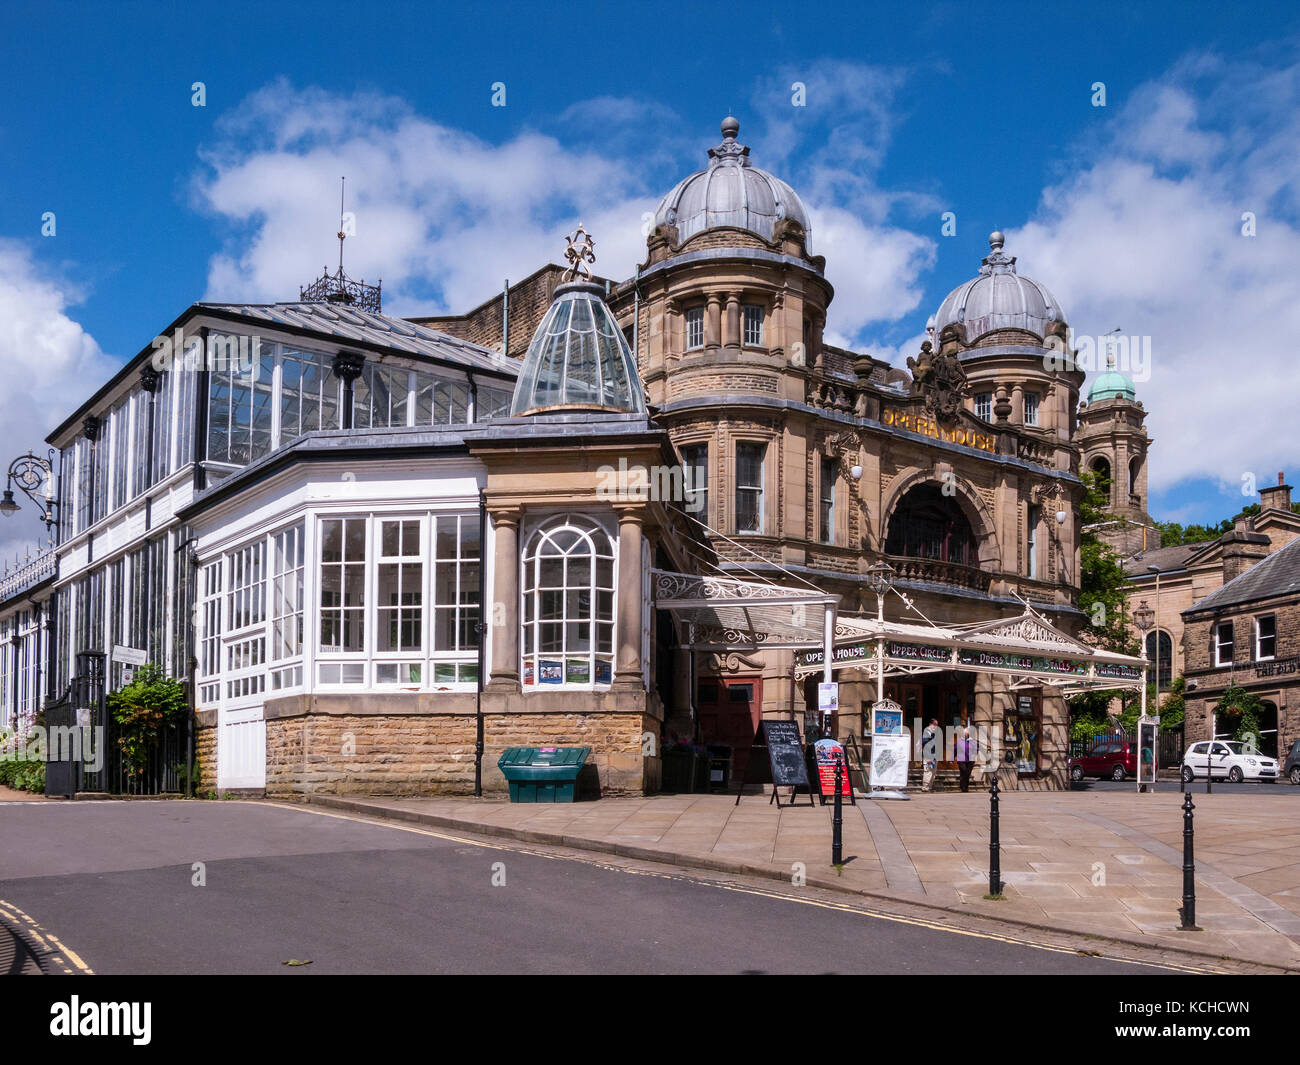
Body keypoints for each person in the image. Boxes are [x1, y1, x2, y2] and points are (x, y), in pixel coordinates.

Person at [921, 718, 940, 792]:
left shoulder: (935, 733)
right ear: (930, 724)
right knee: (928, 771)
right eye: (935, 724)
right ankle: (925, 787)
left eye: (937, 725)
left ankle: (930, 787)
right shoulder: (927, 731)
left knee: (933, 772)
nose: (936, 726)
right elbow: (925, 742)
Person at [955, 724, 975, 792]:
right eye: (965, 734)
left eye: (967, 734)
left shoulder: (972, 741)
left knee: (967, 773)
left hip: (970, 760)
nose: (966, 735)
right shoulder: (959, 741)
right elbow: (955, 749)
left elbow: (976, 749)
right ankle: (962, 786)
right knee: (964, 772)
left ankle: (965, 787)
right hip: (961, 760)